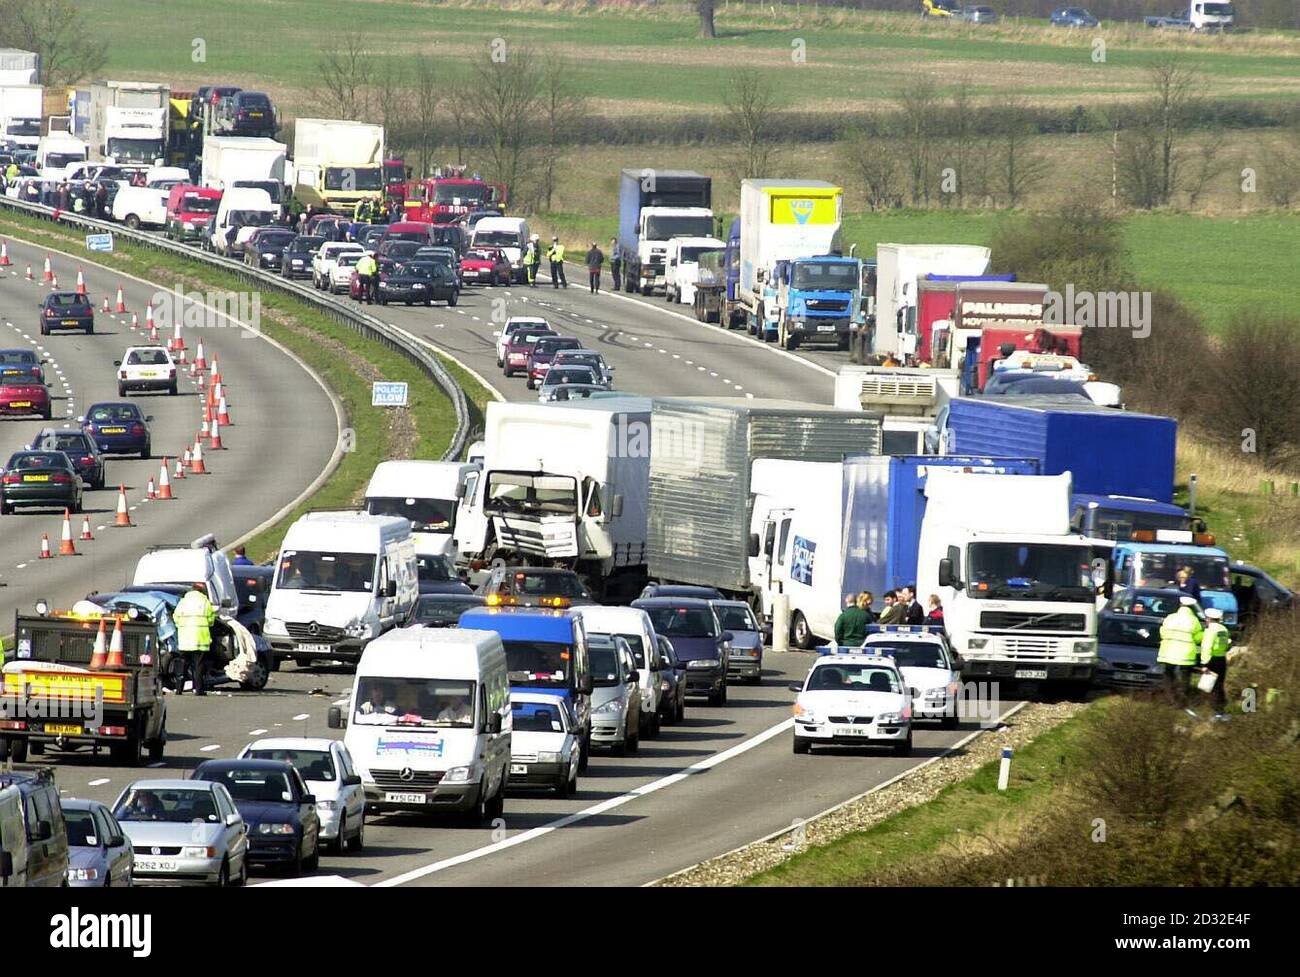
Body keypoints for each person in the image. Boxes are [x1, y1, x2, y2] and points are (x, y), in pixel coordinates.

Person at [1158, 595, 1204, 711]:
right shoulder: (1194, 620)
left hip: (1168, 651)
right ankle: (1182, 699)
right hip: (1185, 654)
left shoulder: (1170, 617)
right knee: (1185, 675)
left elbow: (1162, 632)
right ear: (1191, 608)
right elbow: (1198, 638)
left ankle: (1170, 698)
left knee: (1168, 673)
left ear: (1180, 606)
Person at [174, 582, 217, 696]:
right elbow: (211, 620)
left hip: (185, 640)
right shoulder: (204, 602)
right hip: (200, 639)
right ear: (201, 591)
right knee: (198, 665)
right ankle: (198, 689)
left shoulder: (183, 602)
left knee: (183, 664)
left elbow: (176, 618)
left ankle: (179, 689)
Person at [1199, 607, 1232, 719]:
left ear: (1209, 619)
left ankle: (1216, 712)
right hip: (1221, 660)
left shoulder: (1210, 630)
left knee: (1211, 686)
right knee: (1219, 685)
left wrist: (1204, 664)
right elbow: (1227, 645)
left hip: (1212, 660)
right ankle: (1222, 710)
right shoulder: (1223, 629)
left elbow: (1206, 647)